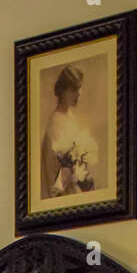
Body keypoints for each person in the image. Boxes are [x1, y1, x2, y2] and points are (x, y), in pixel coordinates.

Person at [40, 64, 99, 200]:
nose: (78, 93)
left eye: (79, 88)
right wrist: (75, 171)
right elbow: (57, 184)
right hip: (64, 195)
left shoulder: (70, 117)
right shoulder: (56, 124)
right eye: (73, 89)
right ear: (62, 91)